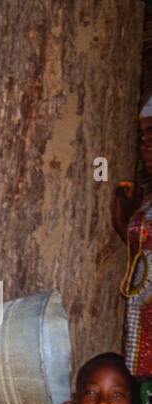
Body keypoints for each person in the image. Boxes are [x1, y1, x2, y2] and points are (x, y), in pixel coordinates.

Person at [112, 97, 152, 378]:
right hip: (140, 327)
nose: (145, 145)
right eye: (141, 137)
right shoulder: (147, 204)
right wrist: (122, 223)